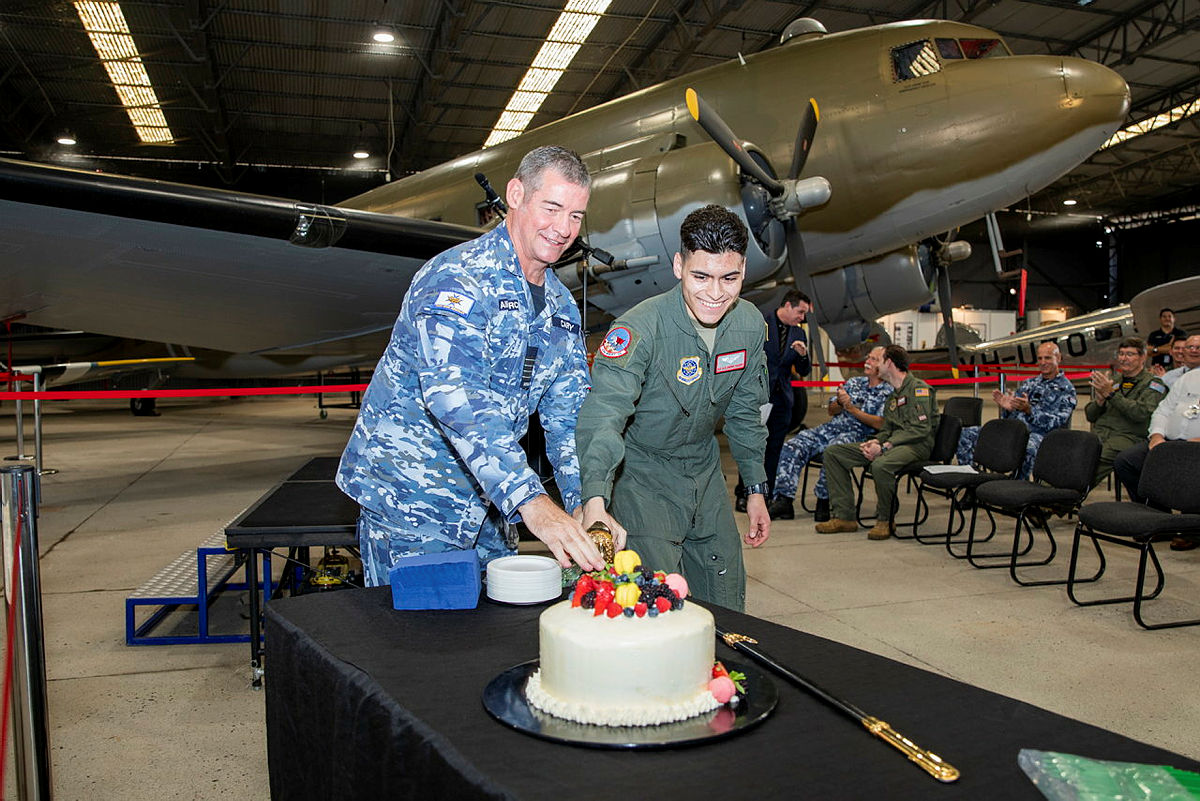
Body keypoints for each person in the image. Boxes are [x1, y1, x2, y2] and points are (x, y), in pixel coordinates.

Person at [336, 145, 606, 586]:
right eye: (552, 208)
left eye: (576, 216)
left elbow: (570, 418)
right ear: (516, 194)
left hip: (492, 508)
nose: (563, 229)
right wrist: (533, 502)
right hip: (414, 503)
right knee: (415, 643)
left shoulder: (560, 306)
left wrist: (585, 501)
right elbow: (455, 400)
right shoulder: (458, 278)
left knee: (492, 643)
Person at [575, 205, 770, 611]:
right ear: (679, 265)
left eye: (729, 278)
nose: (715, 294)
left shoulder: (749, 326)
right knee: (657, 603)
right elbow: (604, 416)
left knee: (726, 598)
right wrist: (595, 499)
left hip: (705, 473)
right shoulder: (640, 329)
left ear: (743, 271)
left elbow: (746, 414)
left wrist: (754, 488)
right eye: (701, 277)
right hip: (643, 479)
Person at [815, 344, 936, 540]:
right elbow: (887, 428)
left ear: (889, 363)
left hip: (916, 445)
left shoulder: (918, 390)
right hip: (892, 442)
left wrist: (885, 446)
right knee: (834, 453)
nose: (873, 364)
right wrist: (874, 442)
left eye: (878, 360)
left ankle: (885, 520)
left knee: (881, 465)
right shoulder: (893, 395)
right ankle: (844, 517)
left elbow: (919, 430)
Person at [767, 349, 892, 521]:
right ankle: (784, 500)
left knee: (833, 452)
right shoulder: (854, 382)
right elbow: (831, 411)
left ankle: (823, 501)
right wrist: (840, 402)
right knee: (793, 445)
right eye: (868, 357)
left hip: (858, 435)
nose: (867, 361)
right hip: (830, 428)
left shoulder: (888, 391)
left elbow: (880, 423)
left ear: (885, 364)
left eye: (874, 359)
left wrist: (852, 409)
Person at [1114, 335, 1200, 553]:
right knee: (1127, 461)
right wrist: (1157, 436)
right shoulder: (1187, 379)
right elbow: (1163, 410)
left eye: (1199, 347)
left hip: (1195, 446)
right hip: (1169, 442)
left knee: (1191, 465)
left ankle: (1192, 527)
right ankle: (1159, 518)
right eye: (1191, 346)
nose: (1194, 350)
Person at [735, 290, 812, 511]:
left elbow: (804, 370)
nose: (802, 317)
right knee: (752, 448)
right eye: (800, 311)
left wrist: (803, 355)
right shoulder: (760, 322)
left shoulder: (799, 334)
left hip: (782, 401)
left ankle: (764, 495)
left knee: (774, 449)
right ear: (787, 305)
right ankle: (744, 493)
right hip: (758, 398)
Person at [955, 341, 1076, 479]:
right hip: (1013, 431)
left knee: (1027, 448)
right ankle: (973, 482)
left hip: (1039, 436)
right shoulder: (1029, 383)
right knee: (966, 434)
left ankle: (1016, 485)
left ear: (1058, 358)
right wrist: (1008, 408)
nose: (1043, 362)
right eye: (1040, 358)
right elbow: (1013, 411)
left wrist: (1030, 411)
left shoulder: (1066, 390)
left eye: (1048, 358)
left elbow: (1058, 423)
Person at [1085, 337, 1167, 489]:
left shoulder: (1154, 384)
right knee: (1076, 451)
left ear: (1142, 357)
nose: (1123, 358)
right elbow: (1090, 416)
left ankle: (1062, 500)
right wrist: (1100, 401)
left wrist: (1111, 395)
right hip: (1102, 434)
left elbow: (1140, 413)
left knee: (1094, 458)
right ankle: (1051, 496)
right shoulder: (1114, 381)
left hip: (1129, 437)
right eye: (1121, 354)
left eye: (1129, 354)